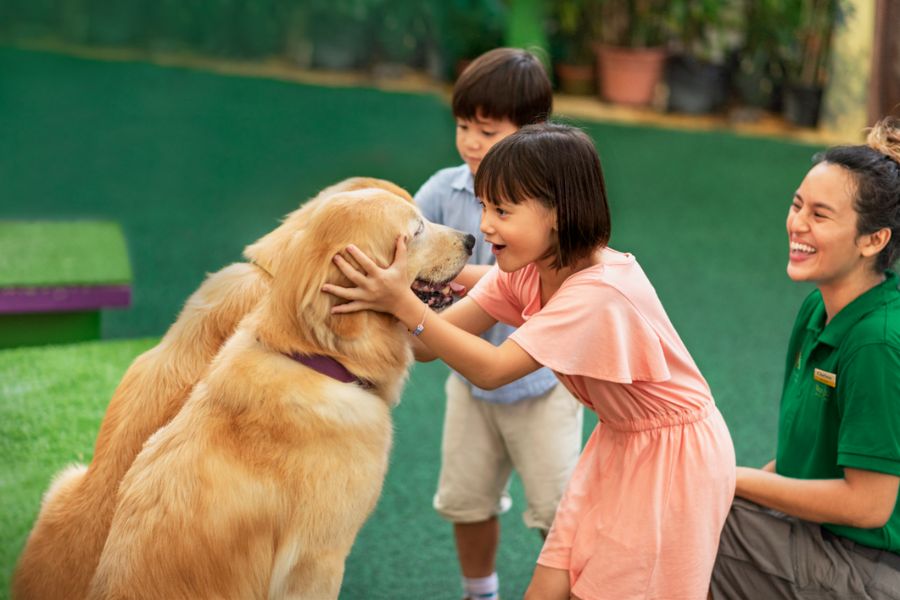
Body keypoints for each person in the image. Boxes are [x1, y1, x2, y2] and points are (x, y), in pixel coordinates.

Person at [323, 122, 737, 599]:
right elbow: (428, 345)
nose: (484, 225)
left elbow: (492, 370)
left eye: (502, 209)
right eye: (484, 206)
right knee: (552, 582)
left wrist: (405, 303)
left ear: (558, 214)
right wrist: (385, 298)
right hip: (620, 441)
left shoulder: (595, 292)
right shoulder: (531, 270)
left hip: (673, 456)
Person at [411, 47, 583, 600]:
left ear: (533, 132)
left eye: (486, 130)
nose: (470, 142)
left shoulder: (551, 204)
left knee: (558, 517)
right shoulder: (442, 191)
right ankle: (479, 591)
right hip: (469, 385)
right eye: (463, 126)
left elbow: (528, 276)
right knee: (467, 500)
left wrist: (448, 283)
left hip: (542, 387)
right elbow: (408, 250)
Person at [710, 117, 900, 599]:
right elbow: (803, 459)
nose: (797, 223)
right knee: (694, 505)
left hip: (871, 565)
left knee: (695, 526)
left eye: (820, 214)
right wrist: (723, 486)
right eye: (797, 205)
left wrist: (731, 480)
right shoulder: (820, 306)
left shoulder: (877, 342)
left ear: (873, 240)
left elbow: (869, 506)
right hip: (822, 535)